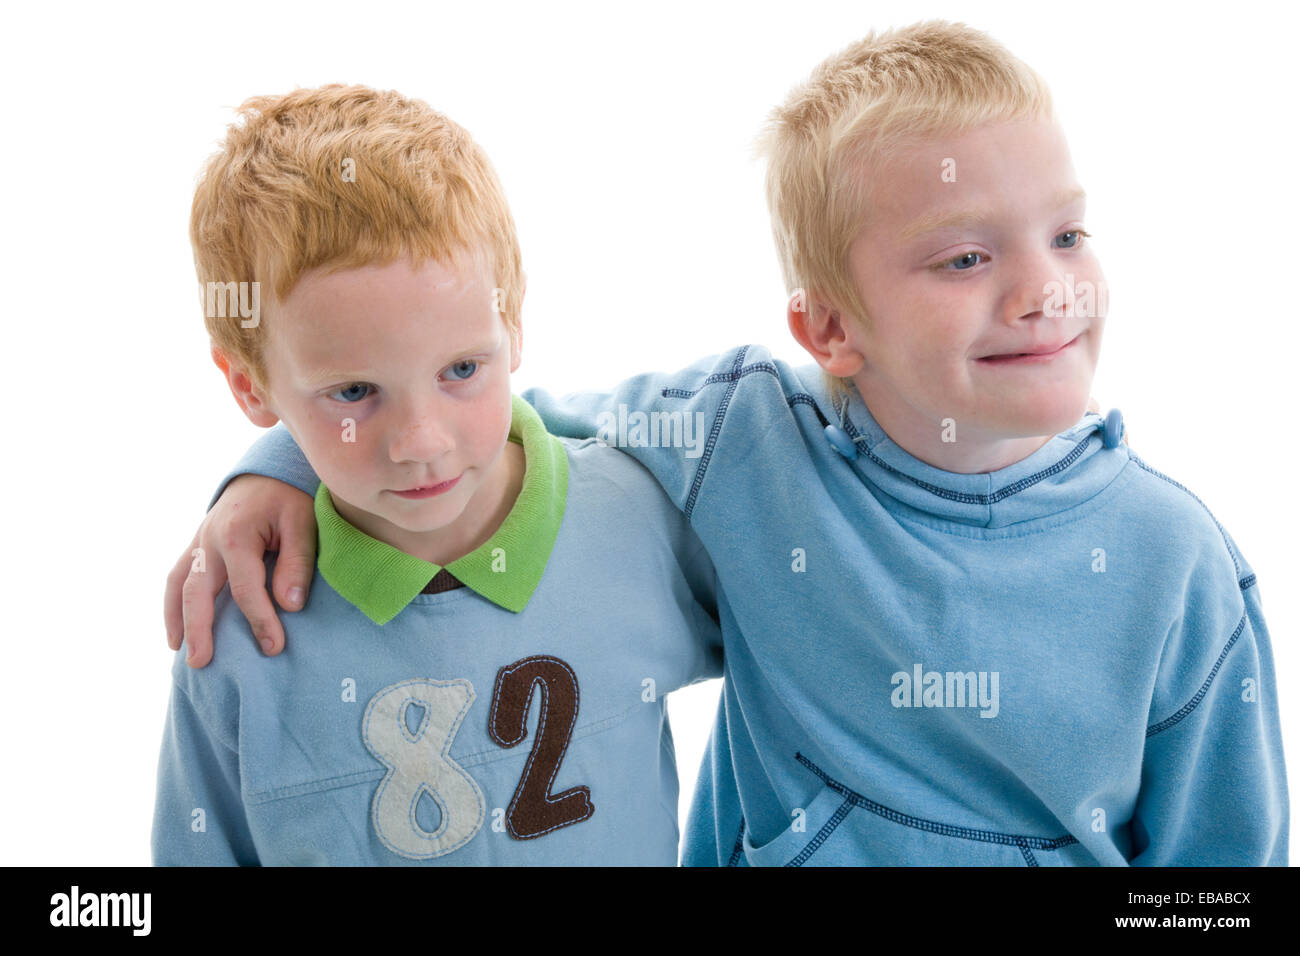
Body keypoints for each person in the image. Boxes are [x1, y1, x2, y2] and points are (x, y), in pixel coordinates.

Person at [167, 23, 1288, 865]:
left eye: (1067, 233)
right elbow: (491, 420)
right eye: (964, 258)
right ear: (829, 328)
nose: (1044, 288)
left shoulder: (1174, 562)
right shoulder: (735, 448)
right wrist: (263, 475)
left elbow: (1220, 869)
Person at [152, 84, 722, 865]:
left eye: (461, 369)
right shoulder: (242, 625)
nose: (420, 442)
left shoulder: (638, 521)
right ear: (250, 385)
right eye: (354, 392)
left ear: (512, 325)